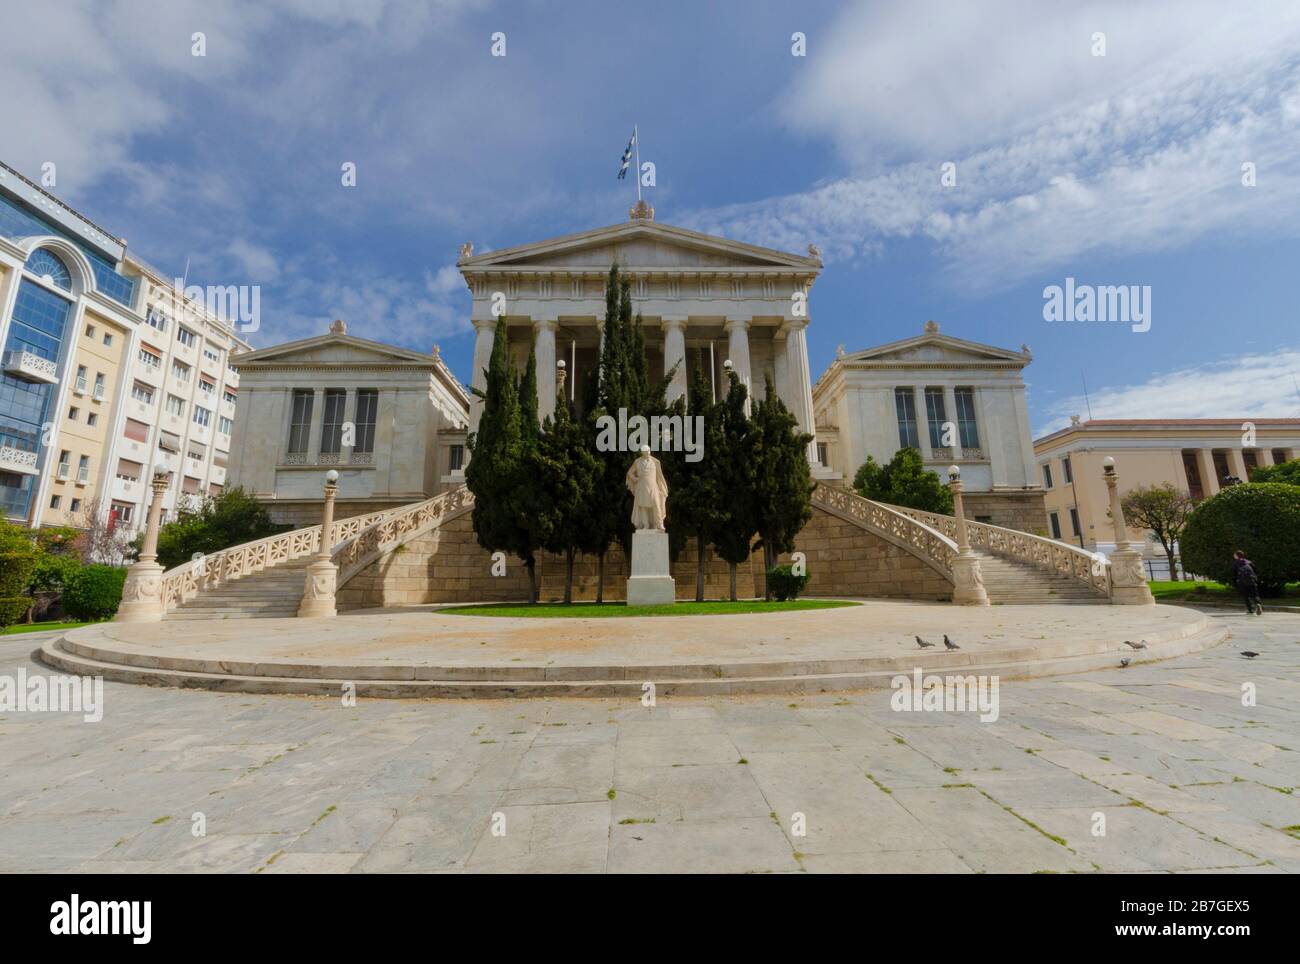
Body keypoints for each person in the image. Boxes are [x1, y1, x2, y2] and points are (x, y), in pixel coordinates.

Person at [1231, 550, 1263, 615]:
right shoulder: (1249, 562)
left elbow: (1234, 574)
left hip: (1242, 582)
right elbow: (1255, 570)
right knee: (1255, 594)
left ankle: (1250, 610)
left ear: (1237, 555)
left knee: (1246, 596)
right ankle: (1258, 604)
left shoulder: (1236, 563)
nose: (1234, 556)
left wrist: (1235, 582)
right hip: (1252, 580)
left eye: (1234, 555)